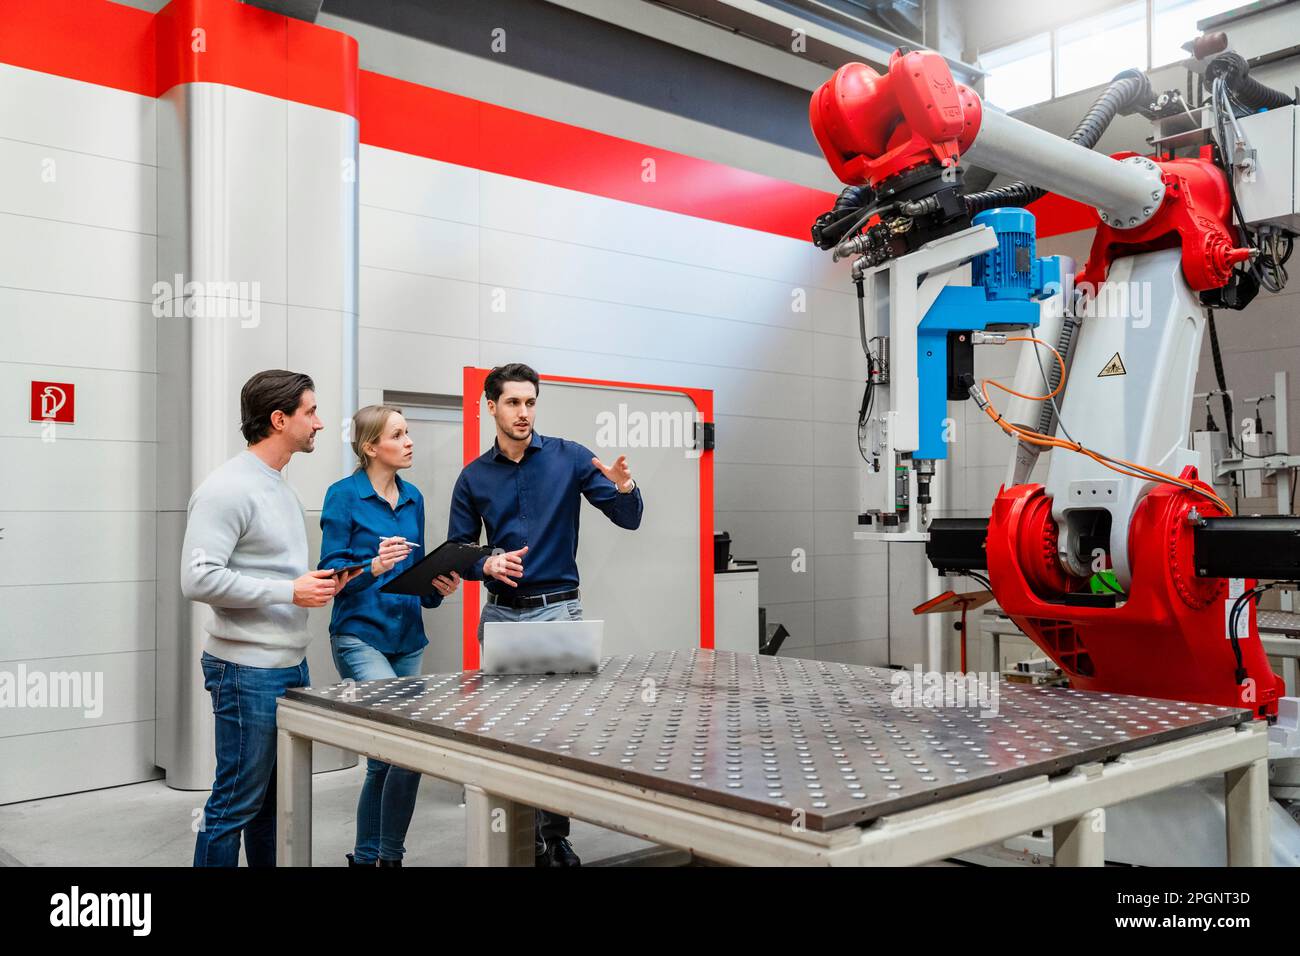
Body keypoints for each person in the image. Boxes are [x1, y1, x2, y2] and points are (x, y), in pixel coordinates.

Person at [448, 363, 643, 867]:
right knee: (509, 734)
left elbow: (630, 519)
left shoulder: (569, 458)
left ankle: (554, 838)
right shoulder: (473, 476)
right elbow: (458, 552)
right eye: (513, 403)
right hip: (503, 616)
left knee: (560, 732)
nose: (523, 413)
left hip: (559, 611)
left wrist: (624, 487)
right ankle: (520, 836)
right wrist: (486, 561)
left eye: (530, 402)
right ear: (491, 406)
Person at [182, 370, 362, 867]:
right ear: (279, 419)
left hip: (287, 666)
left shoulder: (277, 485)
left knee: (270, 807)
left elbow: (265, 572)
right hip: (245, 671)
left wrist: (316, 582)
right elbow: (197, 580)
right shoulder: (227, 488)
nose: (321, 423)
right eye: (310, 412)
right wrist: (290, 589)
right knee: (235, 804)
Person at [319, 405, 460, 867]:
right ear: (370, 446)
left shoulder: (414, 497)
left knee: (400, 756)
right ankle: (370, 858)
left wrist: (437, 588)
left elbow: (414, 579)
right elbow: (328, 573)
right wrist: (372, 567)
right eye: (398, 434)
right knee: (396, 749)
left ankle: (382, 858)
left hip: (408, 640)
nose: (409, 441)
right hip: (360, 636)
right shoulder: (344, 496)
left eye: (408, 432)